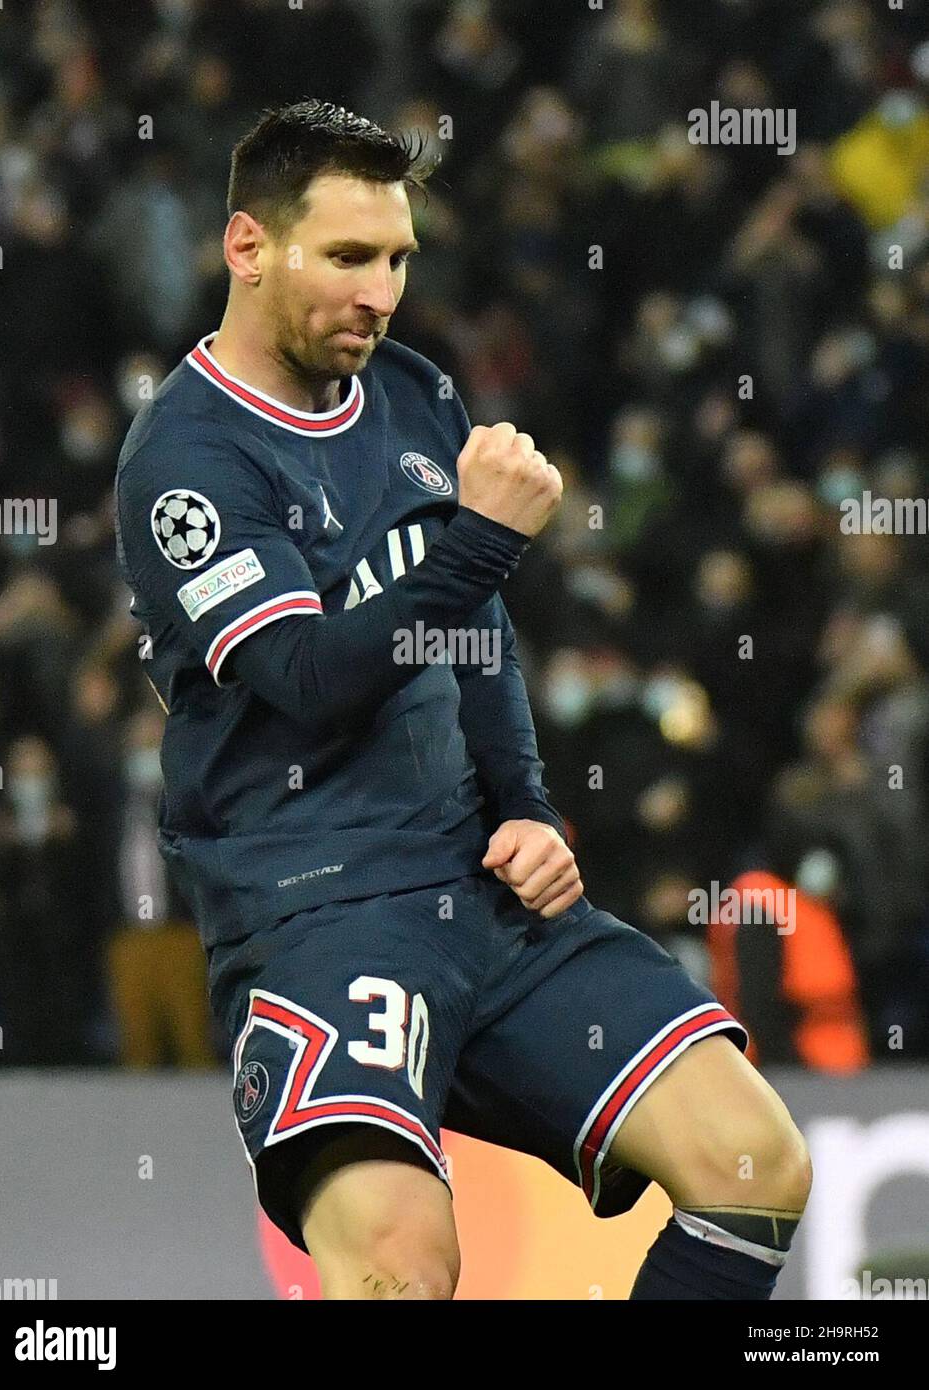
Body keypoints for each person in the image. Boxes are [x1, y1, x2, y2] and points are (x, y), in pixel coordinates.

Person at [114, 100, 811, 1301]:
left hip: (482, 891)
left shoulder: (414, 397)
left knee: (754, 1160)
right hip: (315, 916)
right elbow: (308, 676)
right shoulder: (187, 461)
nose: (378, 294)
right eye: (344, 257)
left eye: (395, 261)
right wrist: (481, 538)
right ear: (246, 247)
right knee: (400, 1269)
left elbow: (471, 635)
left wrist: (530, 806)